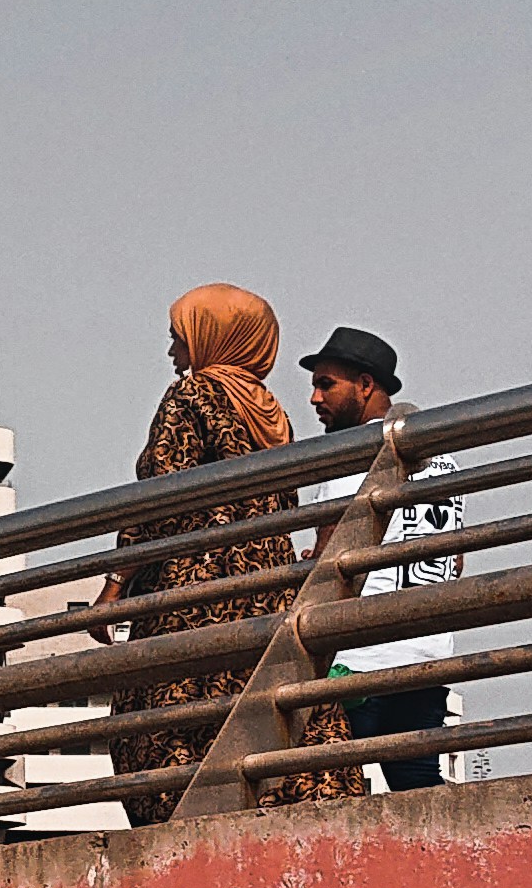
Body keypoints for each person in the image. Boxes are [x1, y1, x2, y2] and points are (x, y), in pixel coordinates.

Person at [112, 288, 356, 814]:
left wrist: (115, 584)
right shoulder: (273, 412)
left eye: (181, 336)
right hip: (267, 584)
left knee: (166, 726)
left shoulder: (191, 395)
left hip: (196, 586)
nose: (174, 349)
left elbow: (160, 498)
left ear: (213, 337)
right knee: (273, 704)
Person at [299, 326, 463, 790]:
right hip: (426, 659)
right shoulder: (440, 456)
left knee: (304, 779)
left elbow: (330, 567)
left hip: (358, 664)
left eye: (326, 384)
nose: (314, 398)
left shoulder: (353, 454)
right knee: (418, 787)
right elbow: (456, 556)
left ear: (366, 385)